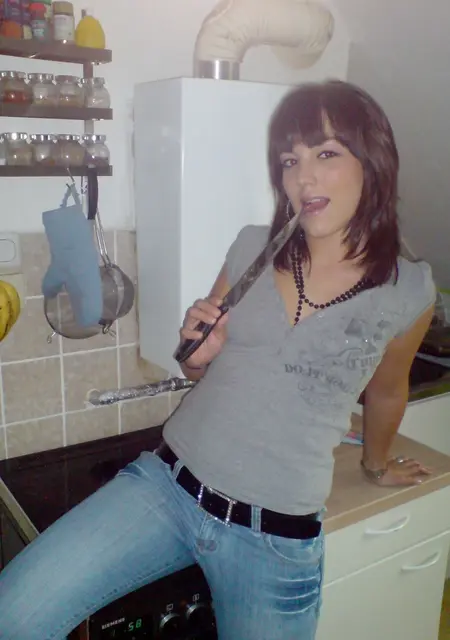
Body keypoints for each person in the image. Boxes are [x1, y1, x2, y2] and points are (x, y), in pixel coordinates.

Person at [0, 79, 435, 640]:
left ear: (372, 162)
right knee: (14, 613)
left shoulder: (408, 290)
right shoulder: (253, 247)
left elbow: (387, 390)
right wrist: (196, 356)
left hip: (274, 541)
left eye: (326, 154)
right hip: (168, 488)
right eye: (290, 161)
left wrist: (375, 465)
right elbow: (198, 365)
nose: (303, 178)